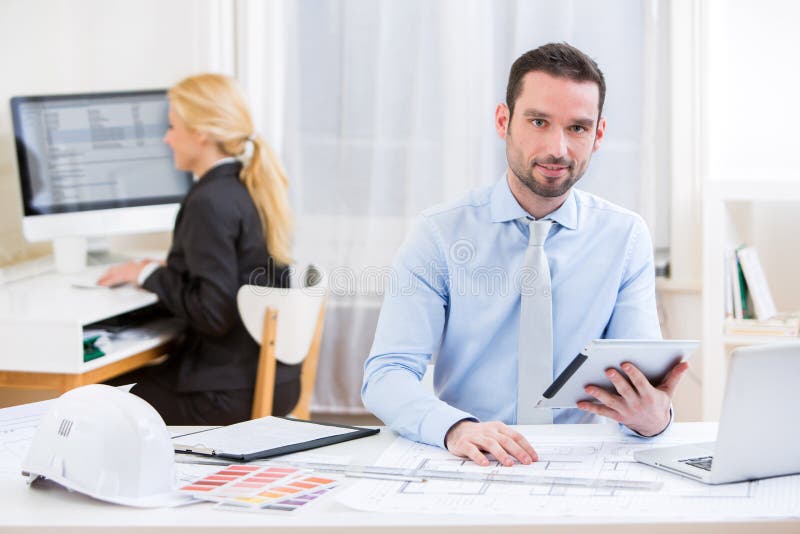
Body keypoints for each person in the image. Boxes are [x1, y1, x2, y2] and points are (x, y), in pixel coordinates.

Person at [362, 43, 689, 466]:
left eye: (577, 128)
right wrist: (455, 428)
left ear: (598, 134)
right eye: (539, 121)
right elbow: (387, 374)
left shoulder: (624, 236)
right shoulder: (439, 234)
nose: (558, 148)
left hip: (584, 461)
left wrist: (653, 418)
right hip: (471, 455)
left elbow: (637, 386)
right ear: (504, 121)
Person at [98, 73, 299, 425]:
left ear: (201, 133)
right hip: (275, 383)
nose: (167, 138)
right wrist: (174, 270)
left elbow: (213, 313)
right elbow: (235, 272)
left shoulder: (209, 201)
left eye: (173, 127)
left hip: (224, 393)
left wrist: (146, 274)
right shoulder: (250, 187)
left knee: (96, 399)